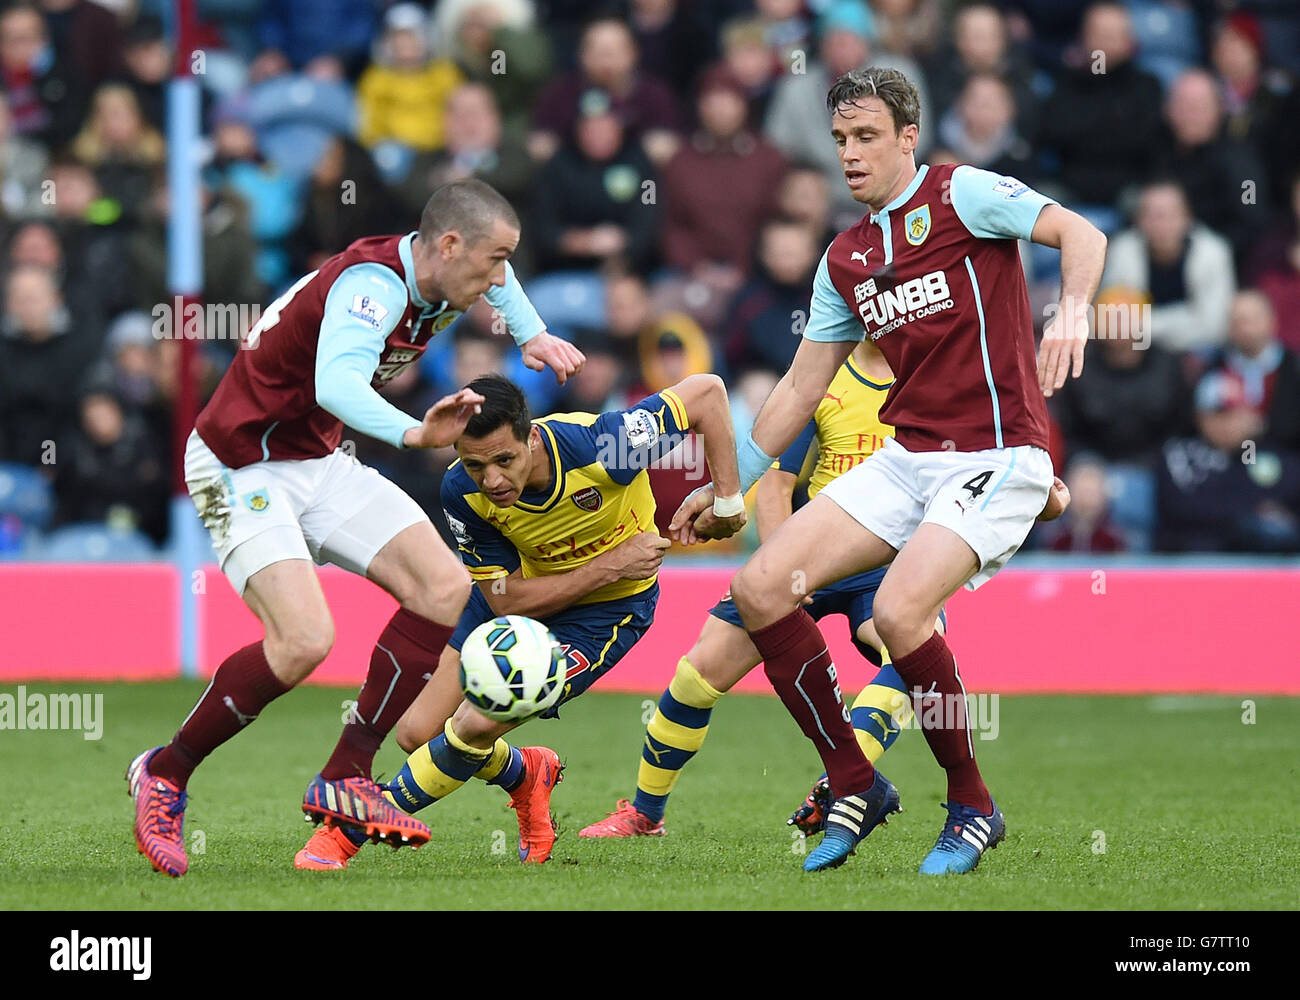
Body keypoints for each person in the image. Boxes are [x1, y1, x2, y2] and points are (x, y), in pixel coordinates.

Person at [672, 67, 1101, 875]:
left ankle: (972, 804)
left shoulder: (962, 193)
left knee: (903, 616)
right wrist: (731, 486)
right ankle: (854, 781)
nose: (850, 155)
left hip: (1002, 452)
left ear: (909, 136)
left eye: (867, 137)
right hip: (912, 458)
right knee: (761, 588)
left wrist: (1072, 308)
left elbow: (1083, 234)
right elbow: (803, 386)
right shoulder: (846, 258)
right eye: (840, 140)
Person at [125, 179, 585, 879]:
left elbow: (505, 275)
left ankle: (347, 773)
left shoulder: (450, 270)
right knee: (305, 640)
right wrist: (411, 433)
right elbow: (337, 384)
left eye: (504, 264)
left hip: (314, 458)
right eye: (491, 262)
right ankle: (165, 772)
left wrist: (531, 332)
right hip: (238, 462)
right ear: (449, 245)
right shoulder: (370, 286)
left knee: (442, 586)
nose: (498, 278)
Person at [294, 371, 743, 869]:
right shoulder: (462, 492)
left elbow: (707, 393)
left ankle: (344, 836)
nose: (493, 480)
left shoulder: (607, 449)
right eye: (475, 464)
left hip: (603, 616)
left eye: (504, 460)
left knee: (473, 724)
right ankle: (526, 772)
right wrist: (608, 564)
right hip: (517, 598)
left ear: (531, 436)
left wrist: (727, 502)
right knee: (417, 732)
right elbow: (504, 599)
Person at [578, 341, 921, 841]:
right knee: (697, 675)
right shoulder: (819, 378)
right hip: (815, 551)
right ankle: (645, 814)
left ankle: (845, 782)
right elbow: (779, 487)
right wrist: (784, 568)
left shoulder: (931, 381)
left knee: (913, 655)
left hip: (891, 562)